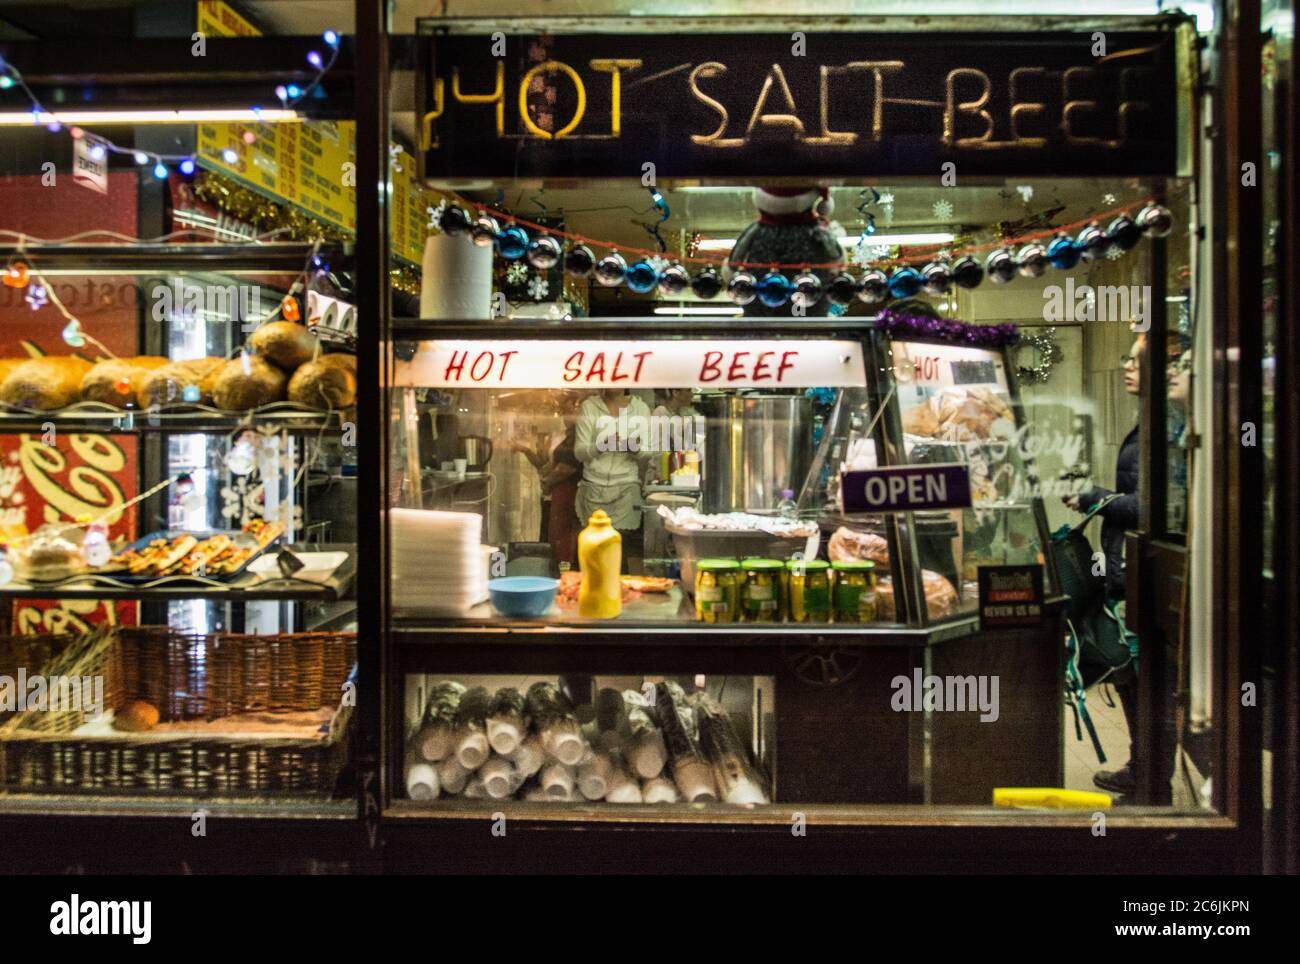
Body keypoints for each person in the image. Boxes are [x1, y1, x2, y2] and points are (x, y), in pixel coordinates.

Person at [1066, 333, 1173, 802]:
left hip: (1143, 571)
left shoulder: (1166, 424)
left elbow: (1155, 505)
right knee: (1134, 677)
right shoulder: (1152, 419)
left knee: (1145, 679)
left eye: (1134, 360)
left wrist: (1095, 499)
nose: (1126, 366)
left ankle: (1153, 777)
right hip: (1129, 567)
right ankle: (1144, 766)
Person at [574, 388, 653, 570]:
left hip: (626, 486)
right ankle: (589, 593)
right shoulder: (589, 407)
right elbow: (579, 452)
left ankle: (620, 594)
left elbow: (649, 450)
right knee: (592, 552)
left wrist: (634, 448)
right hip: (593, 487)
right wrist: (601, 445)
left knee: (619, 552)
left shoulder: (640, 408)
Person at [512, 391, 584, 566]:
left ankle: (564, 571)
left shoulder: (578, 436)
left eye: (571, 412)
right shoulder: (564, 435)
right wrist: (527, 451)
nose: (567, 417)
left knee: (563, 535)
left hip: (569, 491)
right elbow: (546, 464)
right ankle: (557, 570)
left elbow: (568, 467)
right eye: (565, 412)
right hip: (557, 492)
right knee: (555, 535)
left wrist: (547, 481)